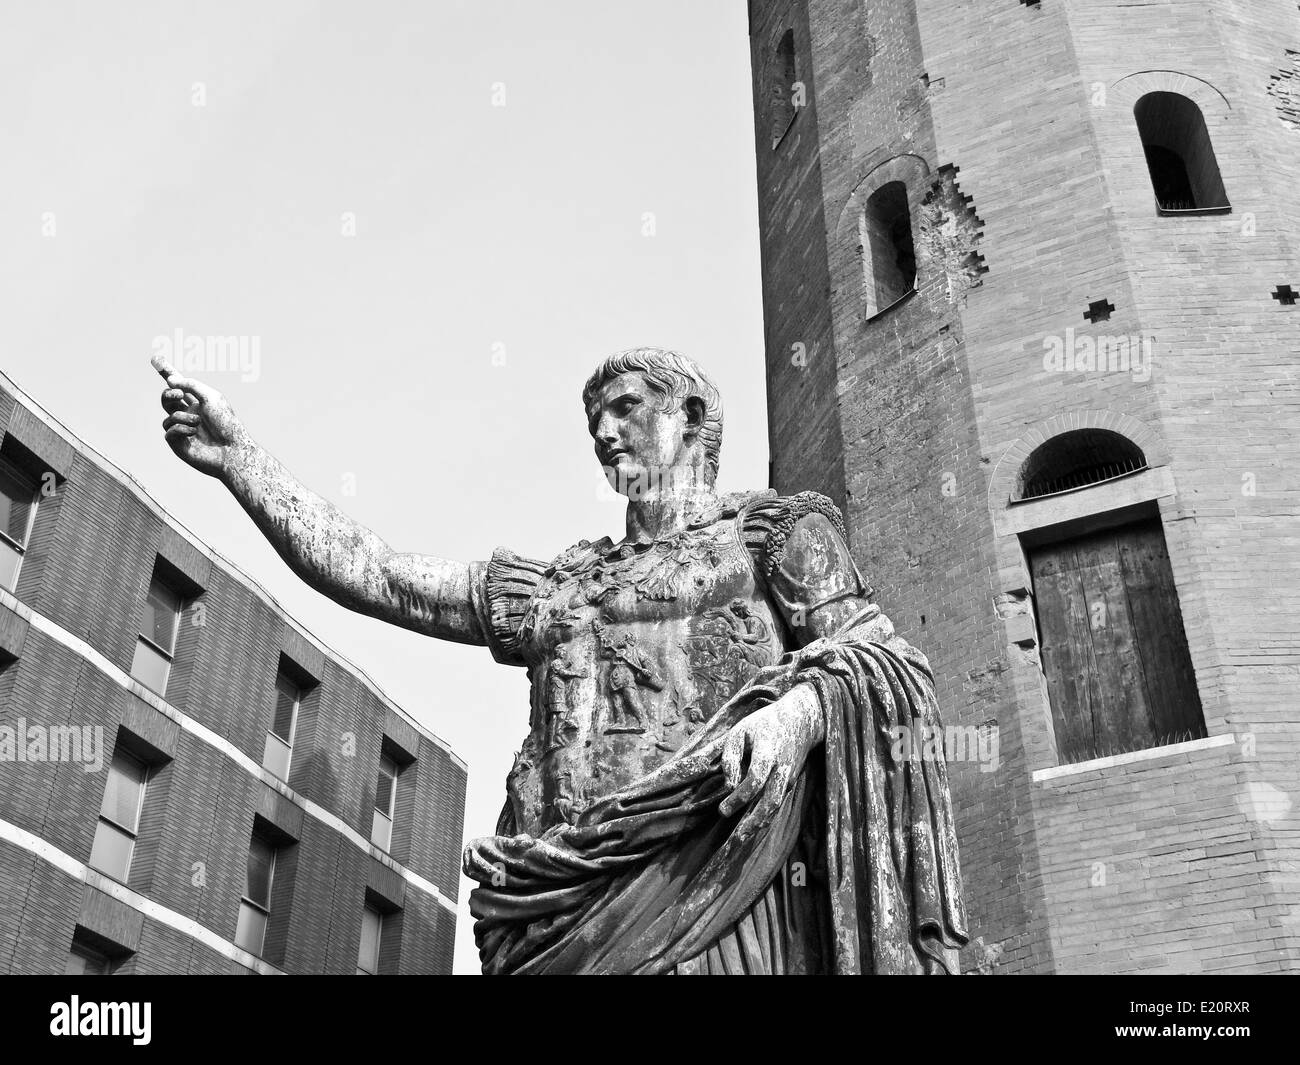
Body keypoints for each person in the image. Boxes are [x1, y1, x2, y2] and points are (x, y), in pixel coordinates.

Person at [154, 345, 967, 974]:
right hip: (554, 909)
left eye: (622, 409)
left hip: (711, 885)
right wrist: (240, 462)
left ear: (688, 413)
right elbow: (383, 576)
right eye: (593, 423)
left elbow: (883, 659)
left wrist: (799, 712)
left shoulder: (771, 536)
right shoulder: (561, 584)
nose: (603, 434)